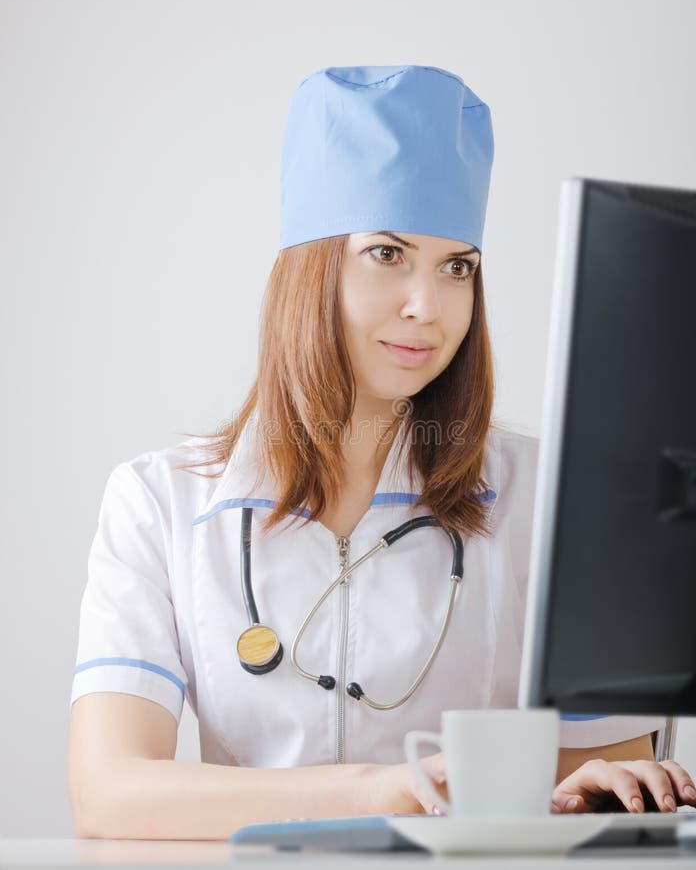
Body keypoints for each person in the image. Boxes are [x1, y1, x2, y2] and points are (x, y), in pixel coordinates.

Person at [67, 64, 696, 841]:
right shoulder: (159, 502)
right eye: (387, 255)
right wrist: (382, 788)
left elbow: (607, 784)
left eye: (456, 267)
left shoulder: (549, 497)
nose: (427, 308)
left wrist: (599, 791)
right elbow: (110, 794)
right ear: (311, 265)